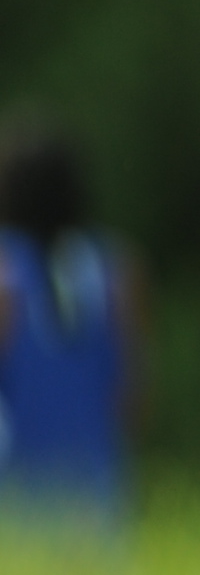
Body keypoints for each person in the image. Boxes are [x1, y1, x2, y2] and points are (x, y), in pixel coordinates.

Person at [0, 113, 145, 528]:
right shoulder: (118, 272)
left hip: (15, 499)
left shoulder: (6, 274)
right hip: (97, 504)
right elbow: (133, 405)